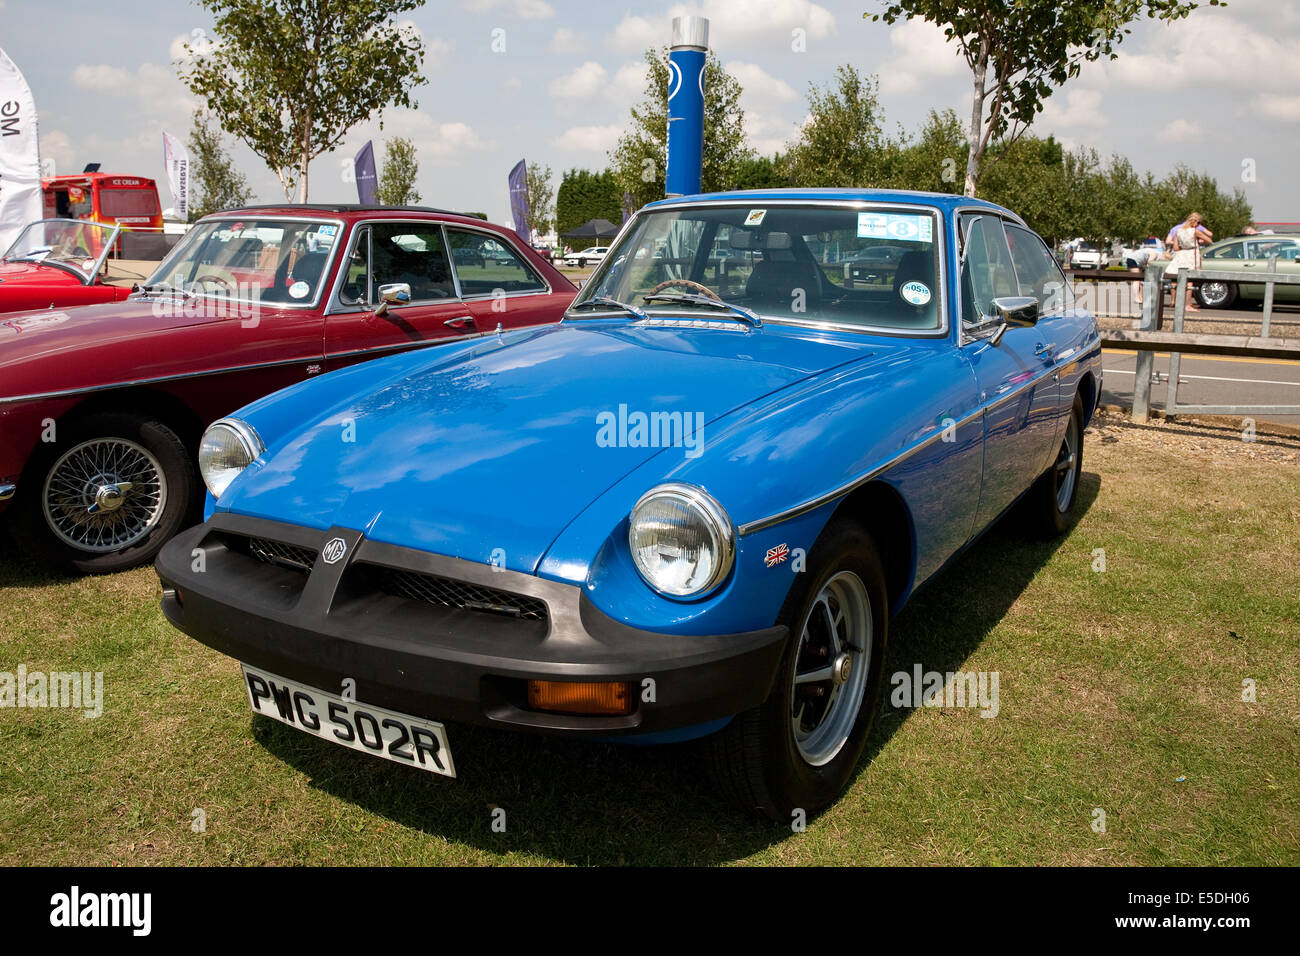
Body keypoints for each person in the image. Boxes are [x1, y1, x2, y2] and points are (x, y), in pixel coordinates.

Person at [1165, 212, 1213, 311]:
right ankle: (1187, 304)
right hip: (1192, 253)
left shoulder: (1178, 231)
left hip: (1181, 254)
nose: (1198, 225)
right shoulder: (1195, 231)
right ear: (1195, 222)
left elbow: (1176, 247)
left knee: (1177, 278)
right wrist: (1199, 241)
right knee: (1190, 281)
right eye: (1199, 223)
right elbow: (1209, 240)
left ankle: (1175, 301)